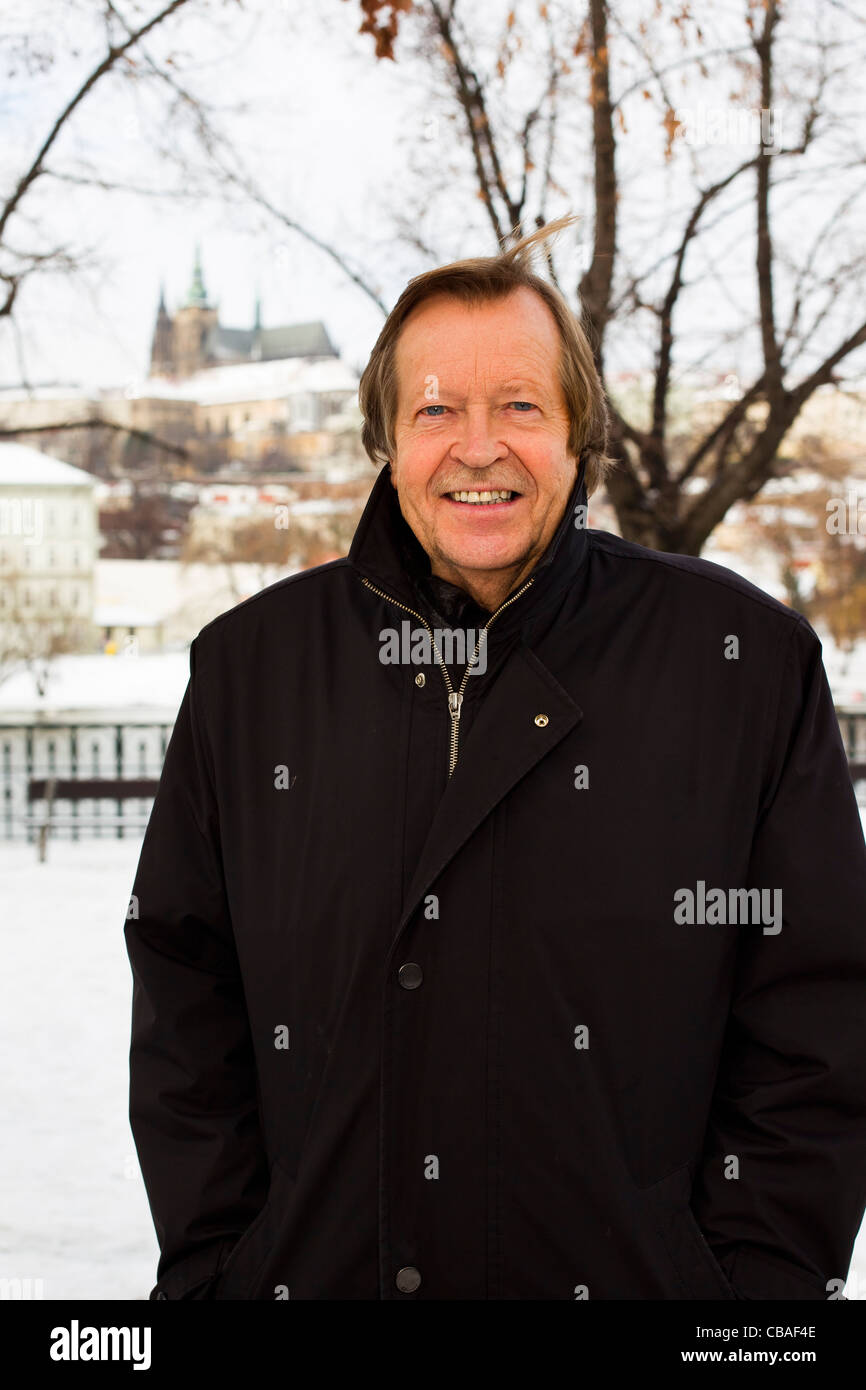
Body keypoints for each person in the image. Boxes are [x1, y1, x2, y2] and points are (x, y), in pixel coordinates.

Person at [125, 215, 866, 1300]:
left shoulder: (743, 663)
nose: (478, 447)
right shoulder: (248, 670)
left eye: (519, 405)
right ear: (387, 437)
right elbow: (187, 1006)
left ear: (578, 435)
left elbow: (817, 1015)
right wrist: (220, 1274)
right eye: (436, 409)